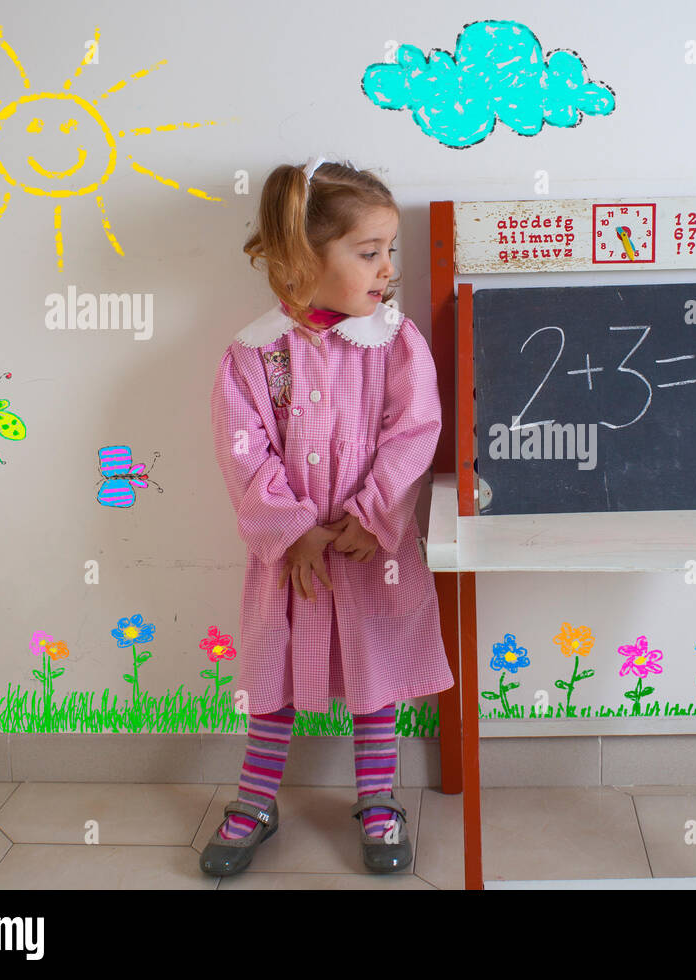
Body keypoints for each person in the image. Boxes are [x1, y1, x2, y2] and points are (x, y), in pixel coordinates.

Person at [203, 156, 453, 876]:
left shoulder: (395, 341)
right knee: (273, 673)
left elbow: (416, 430)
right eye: (369, 253)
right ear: (304, 257)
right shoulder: (255, 354)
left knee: (375, 669)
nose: (388, 269)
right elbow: (241, 448)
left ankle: (377, 798)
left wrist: (373, 515)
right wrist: (293, 531)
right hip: (293, 559)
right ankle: (257, 799)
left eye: (390, 251)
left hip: (370, 550)